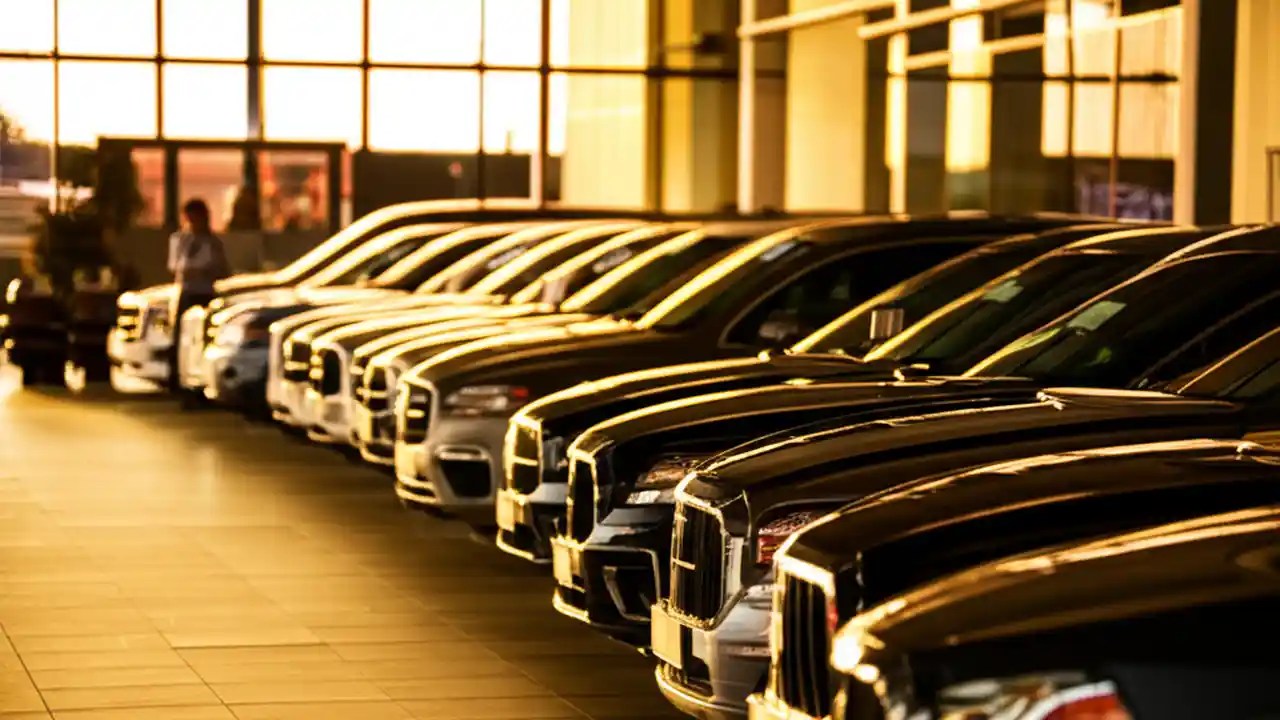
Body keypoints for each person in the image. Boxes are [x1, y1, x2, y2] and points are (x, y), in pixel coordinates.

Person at [167, 199, 230, 394]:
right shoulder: (180, 240)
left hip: (205, 294)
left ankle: (201, 382)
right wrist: (197, 270)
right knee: (180, 339)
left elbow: (220, 268)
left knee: (201, 338)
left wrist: (199, 271)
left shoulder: (212, 242)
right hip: (186, 293)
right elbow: (176, 266)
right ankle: (179, 382)